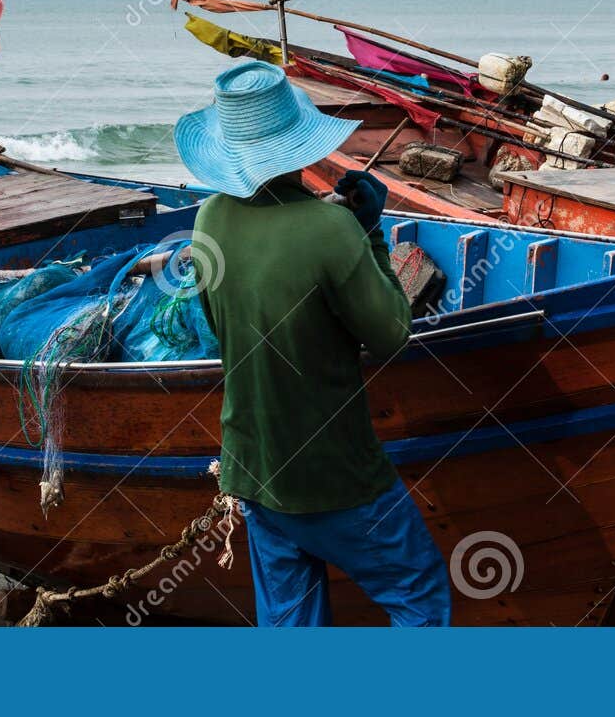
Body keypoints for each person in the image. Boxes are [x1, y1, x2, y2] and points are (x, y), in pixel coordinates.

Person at [174, 59, 452, 627]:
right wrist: (371, 233)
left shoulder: (208, 220)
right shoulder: (333, 230)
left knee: (292, 626)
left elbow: (220, 321)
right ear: (300, 144)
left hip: (253, 466)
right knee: (418, 594)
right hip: (335, 474)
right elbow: (393, 336)